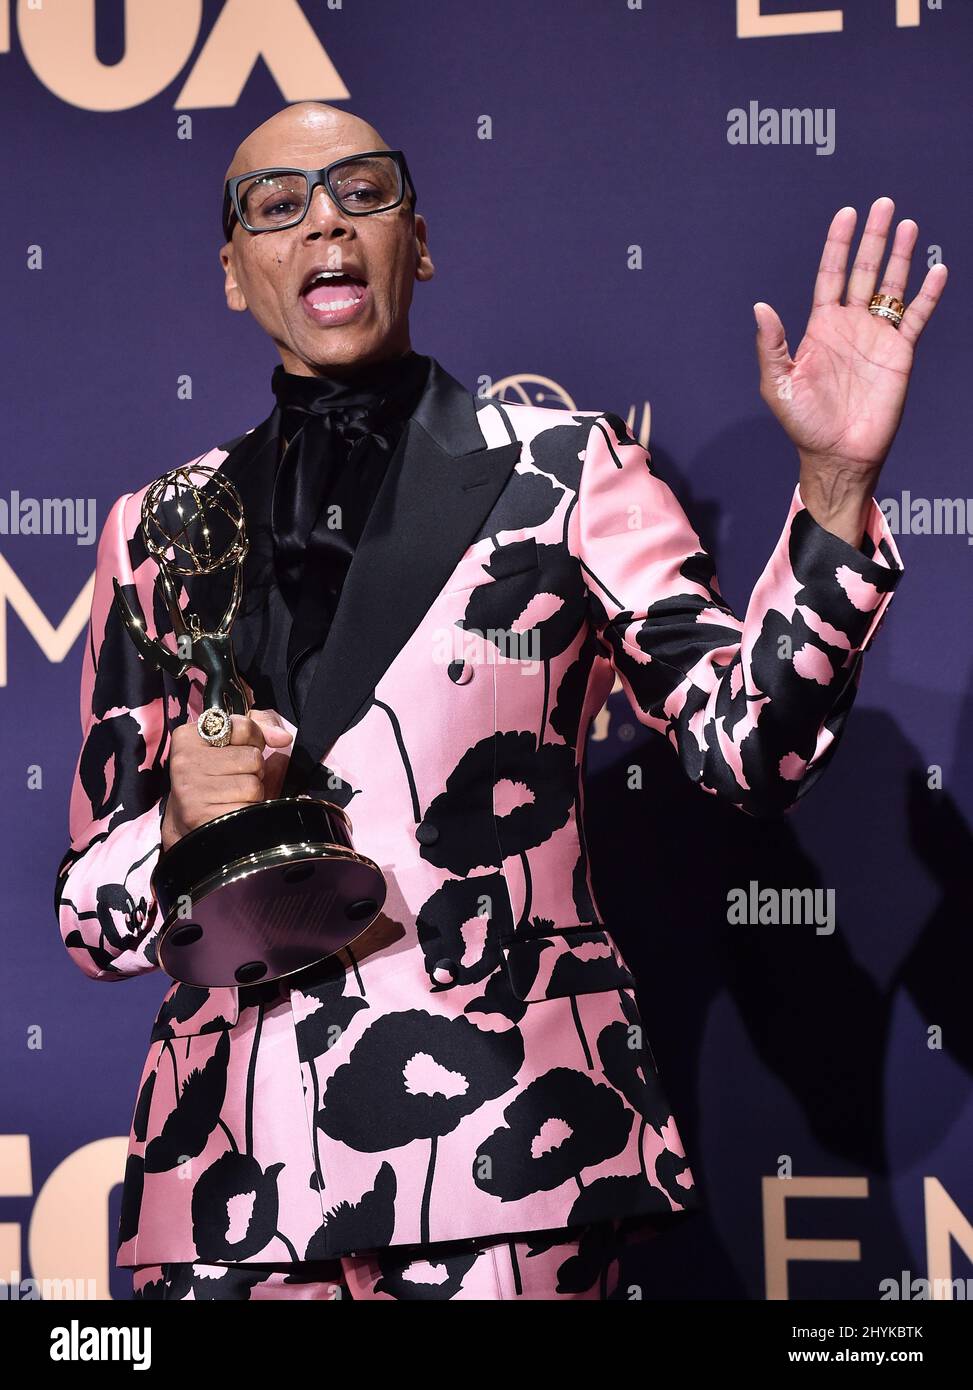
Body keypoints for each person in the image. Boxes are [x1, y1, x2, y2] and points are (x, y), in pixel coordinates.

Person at [54, 101, 946, 1301]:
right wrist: (170, 827)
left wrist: (834, 486)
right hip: (218, 1184)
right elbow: (90, 915)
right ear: (233, 272)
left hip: (503, 1162)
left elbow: (748, 751)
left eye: (362, 191)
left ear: (416, 240)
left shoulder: (564, 469)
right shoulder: (156, 532)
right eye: (277, 204)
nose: (324, 221)